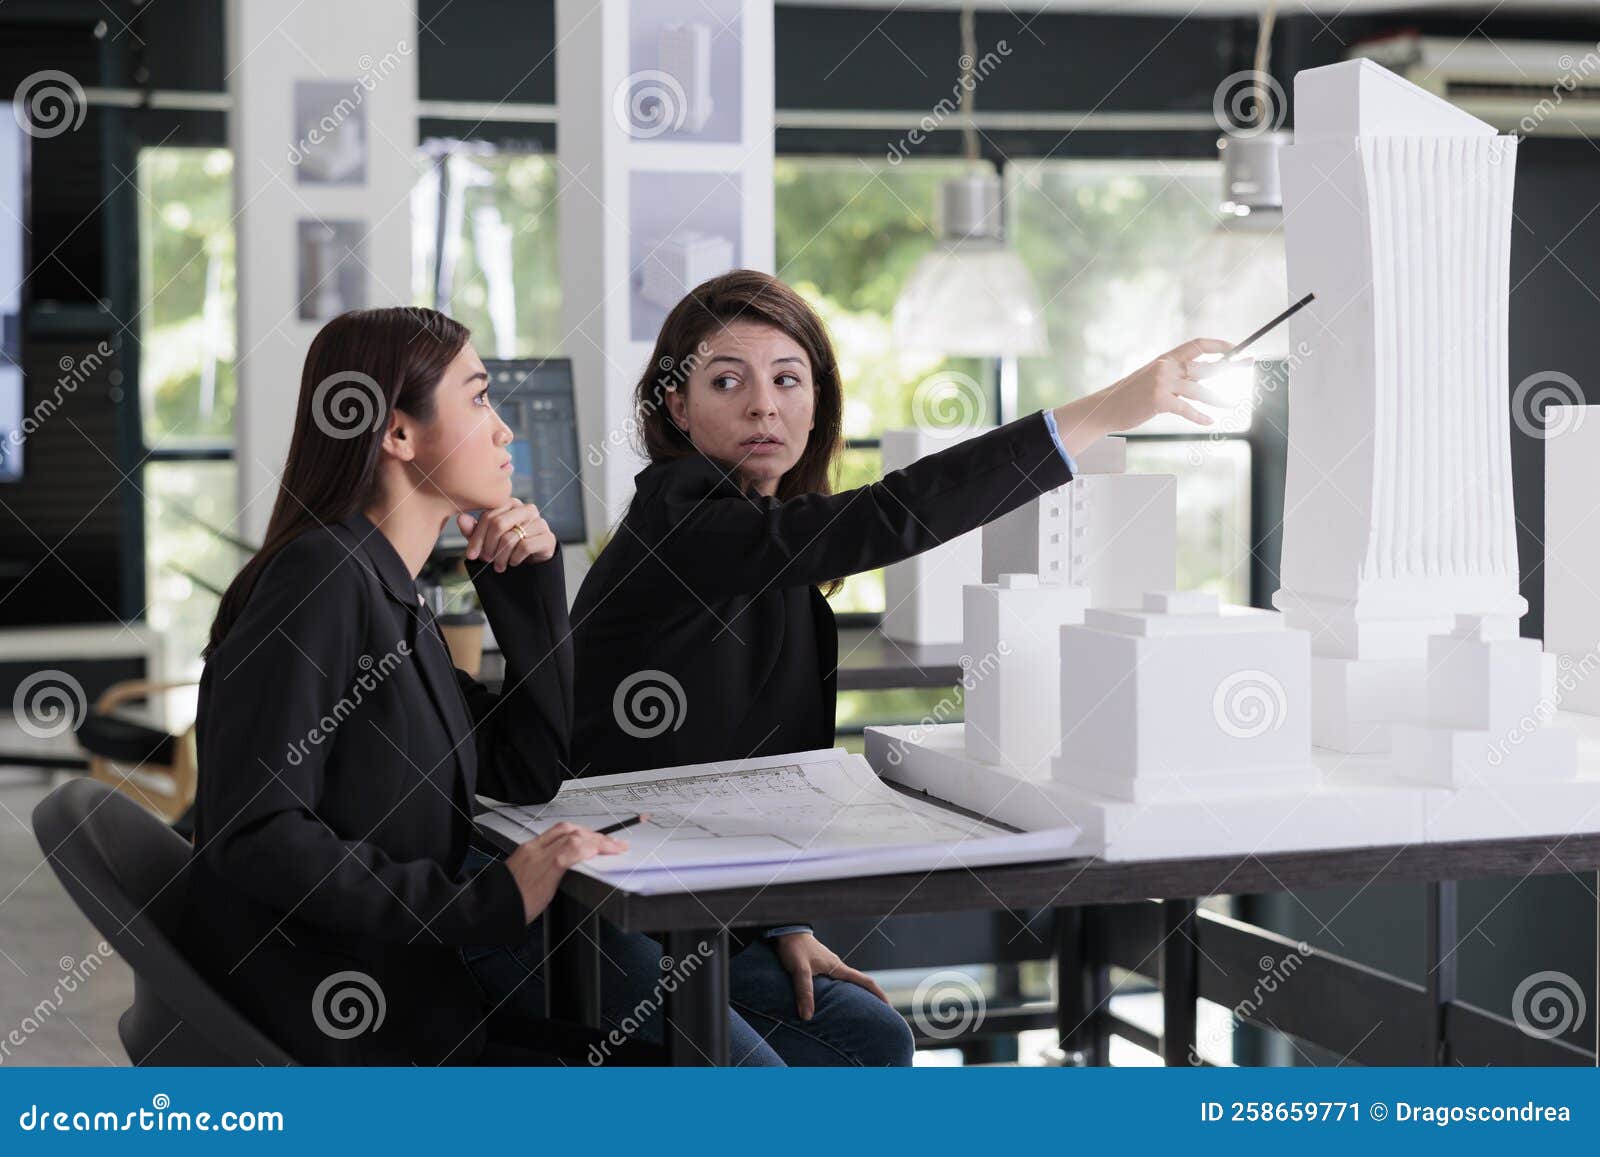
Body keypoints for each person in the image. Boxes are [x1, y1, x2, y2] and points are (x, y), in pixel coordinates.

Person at [466, 270, 1227, 1066]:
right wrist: (1106, 410)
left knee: (870, 1036)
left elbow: (749, 759)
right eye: (727, 381)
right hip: (579, 906)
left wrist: (783, 922)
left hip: (678, 897)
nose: (763, 406)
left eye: (787, 380)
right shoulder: (680, 518)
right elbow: (890, 515)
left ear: (817, 403)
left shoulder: (765, 543)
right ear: (678, 409)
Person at [182, 306, 633, 1065]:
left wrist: (527, 593)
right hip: (351, 1038)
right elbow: (257, 834)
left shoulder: (388, 589)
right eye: (479, 397)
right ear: (397, 432)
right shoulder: (324, 578)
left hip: (412, 1009)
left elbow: (523, 769)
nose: (504, 430)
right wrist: (484, 902)